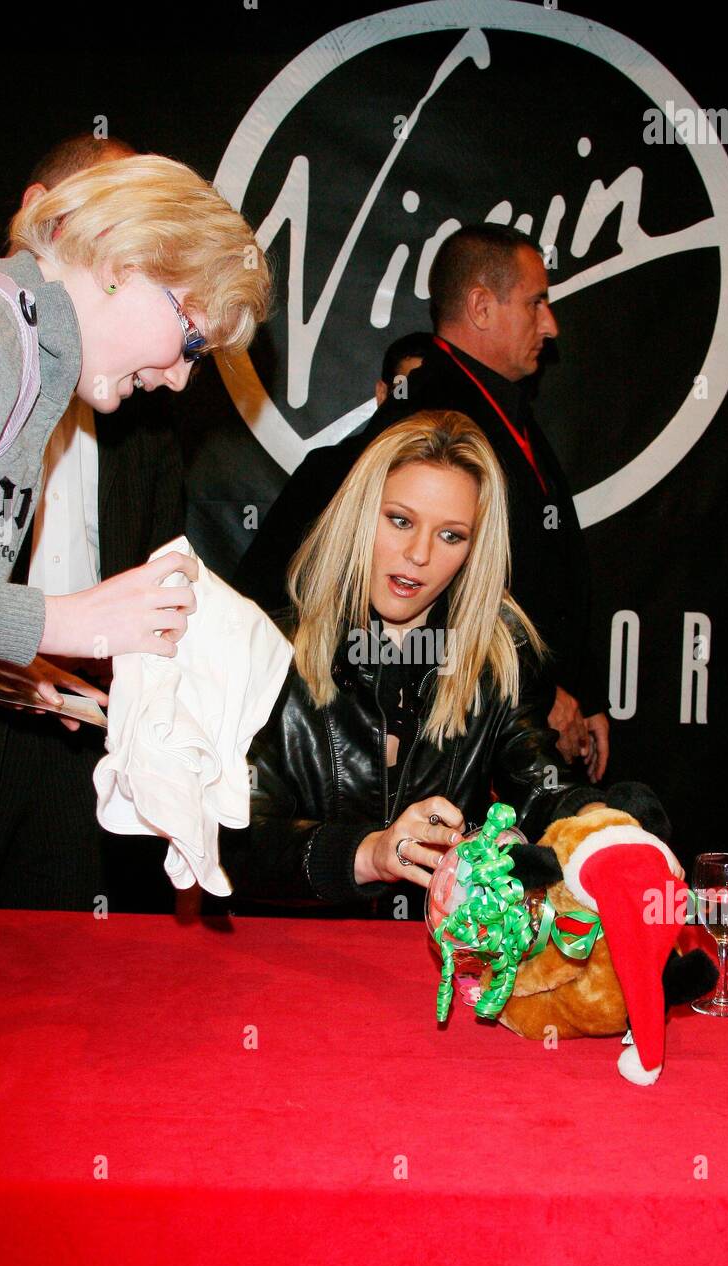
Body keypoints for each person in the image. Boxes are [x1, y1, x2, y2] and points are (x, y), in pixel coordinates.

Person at [233, 226, 609, 783]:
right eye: (537, 303)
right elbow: (311, 561)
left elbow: (550, 564)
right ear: (481, 306)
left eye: (452, 535)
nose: (550, 326)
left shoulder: (509, 409)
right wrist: (541, 693)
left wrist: (580, 690)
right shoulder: (424, 410)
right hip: (433, 739)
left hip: (506, 722)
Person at [220, 410, 599, 921]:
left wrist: (606, 826)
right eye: (400, 520)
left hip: (433, 970)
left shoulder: (496, 662)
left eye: (451, 536)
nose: (418, 554)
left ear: (473, 551)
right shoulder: (267, 653)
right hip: (288, 966)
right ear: (360, 515)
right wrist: (369, 853)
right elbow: (236, 844)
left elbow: (541, 787)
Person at [0, 135, 193, 910]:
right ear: (51, 222)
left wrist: (9, 649)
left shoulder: (122, 403)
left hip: (60, 716)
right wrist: (53, 621)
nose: (178, 374)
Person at [0, 152, 270, 672]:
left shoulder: (25, 350)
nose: (178, 377)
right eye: (192, 343)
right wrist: (63, 622)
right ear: (120, 266)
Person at [232, 332, 432, 611]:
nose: (417, 409)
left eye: (432, 397)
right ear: (382, 394)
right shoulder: (327, 473)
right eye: (406, 393)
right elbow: (261, 583)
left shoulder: (465, 488)